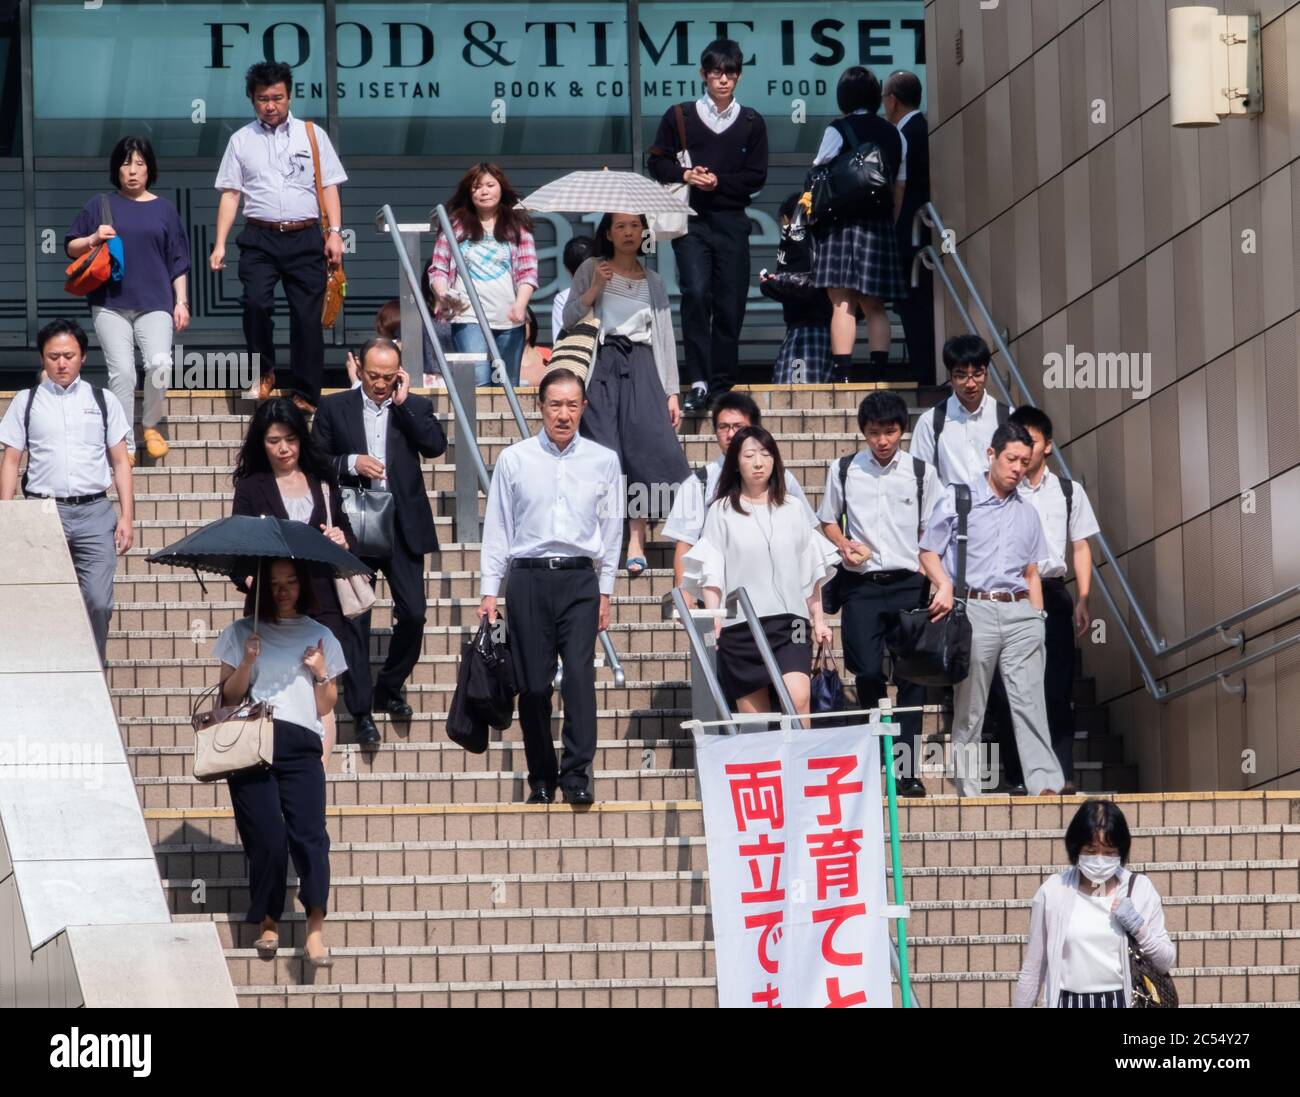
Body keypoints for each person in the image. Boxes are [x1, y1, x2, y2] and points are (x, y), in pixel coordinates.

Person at [478, 368, 623, 805]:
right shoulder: (514, 459)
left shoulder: (604, 460)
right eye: (554, 404)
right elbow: (498, 527)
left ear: (584, 408)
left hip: (581, 578)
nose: (563, 414)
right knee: (535, 685)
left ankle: (576, 773)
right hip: (527, 578)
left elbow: (612, 528)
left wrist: (606, 588)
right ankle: (541, 775)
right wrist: (489, 590)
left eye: (572, 405)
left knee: (579, 677)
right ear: (539, 407)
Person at [918, 422, 1064, 797]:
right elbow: (928, 551)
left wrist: (1038, 618)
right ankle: (967, 785)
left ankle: (1045, 782)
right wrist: (945, 584)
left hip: (1020, 612)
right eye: (1012, 459)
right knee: (970, 705)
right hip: (974, 608)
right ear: (992, 455)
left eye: (1025, 462)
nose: (1018, 468)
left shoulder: (1028, 513)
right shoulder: (959, 499)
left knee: (1031, 699)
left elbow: (1032, 572)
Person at [212, 557, 345, 968]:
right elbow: (228, 698)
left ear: (303, 586)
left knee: (310, 838)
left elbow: (326, 704)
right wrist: (248, 662)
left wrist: (321, 673)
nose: (283, 589)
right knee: (268, 839)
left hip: (301, 745)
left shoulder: (321, 635)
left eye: (290, 582)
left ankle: (315, 928)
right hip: (253, 746)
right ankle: (268, 919)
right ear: (260, 587)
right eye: (274, 583)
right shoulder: (240, 632)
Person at [312, 338, 446, 729]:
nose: (380, 384)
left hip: (403, 526)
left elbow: (435, 446)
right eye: (373, 375)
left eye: (389, 377)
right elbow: (315, 457)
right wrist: (351, 462)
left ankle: (389, 685)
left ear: (400, 374)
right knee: (356, 619)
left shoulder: (414, 406)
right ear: (359, 368)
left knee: (415, 614)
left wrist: (404, 405)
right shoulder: (335, 407)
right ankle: (361, 709)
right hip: (355, 525)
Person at [818, 391, 942, 796]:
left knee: (912, 677)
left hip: (910, 582)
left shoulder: (922, 473)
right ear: (863, 433)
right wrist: (844, 545)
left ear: (902, 430)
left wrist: (941, 581)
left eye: (890, 432)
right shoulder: (844, 469)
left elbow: (933, 533)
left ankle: (907, 772)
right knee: (867, 671)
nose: (883, 441)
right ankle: (879, 761)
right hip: (861, 585)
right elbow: (827, 521)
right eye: (874, 433)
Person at [231, 399, 375, 744]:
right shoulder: (252, 486)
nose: (284, 449)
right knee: (275, 686)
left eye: (291, 439)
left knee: (320, 687)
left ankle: (317, 773)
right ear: (260, 444)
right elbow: (238, 552)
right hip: (272, 605)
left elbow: (348, 536)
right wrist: (250, 579)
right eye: (273, 441)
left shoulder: (321, 480)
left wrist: (342, 539)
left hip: (323, 600)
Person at [210, 60, 346, 413]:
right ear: (251, 100)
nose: (270, 105)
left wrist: (334, 233)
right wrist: (220, 242)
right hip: (260, 237)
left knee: (306, 315)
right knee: (256, 302)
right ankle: (263, 372)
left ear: (289, 96)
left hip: (305, 236)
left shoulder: (312, 135)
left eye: (277, 97)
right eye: (262, 99)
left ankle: (306, 391)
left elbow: (329, 185)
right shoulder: (241, 140)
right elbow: (230, 194)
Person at [0, 320, 134, 666]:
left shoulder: (103, 401)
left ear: (83, 357)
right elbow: (11, 459)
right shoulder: (25, 402)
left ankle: (92, 670)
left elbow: (120, 462)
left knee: (99, 602)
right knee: (43, 600)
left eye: (69, 355)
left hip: (94, 513)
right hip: (43, 514)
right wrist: (8, 514)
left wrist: (128, 517)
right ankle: (50, 670)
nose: (61, 363)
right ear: (43, 359)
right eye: (53, 356)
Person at [565, 212, 690, 576]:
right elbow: (569, 319)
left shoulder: (654, 280)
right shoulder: (591, 267)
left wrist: (672, 392)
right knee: (603, 450)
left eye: (634, 226)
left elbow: (664, 336)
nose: (628, 232)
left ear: (643, 233)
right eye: (620, 226)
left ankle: (637, 539)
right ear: (608, 232)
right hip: (601, 364)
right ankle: (599, 538)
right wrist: (595, 289)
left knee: (645, 449)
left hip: (642, 366)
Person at [647, 38, 769, 412]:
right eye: (716, 72)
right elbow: (656, 162)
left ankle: (722, 383)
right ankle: (698, 381)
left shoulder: (751, 122)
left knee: (730, 304)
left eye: (730, 72)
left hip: (732, 221)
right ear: (703, 74)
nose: (723, 79)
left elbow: (756, 177)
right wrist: (687, 174)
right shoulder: (680, 115)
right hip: (692, 222)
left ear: (739, 75)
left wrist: (717, 181)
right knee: (697, 294)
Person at [987, 407, 1100, 797]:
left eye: (1031, 442)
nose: (1024, 451)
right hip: (1009, 594)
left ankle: (1060, 774)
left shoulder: (1067, 491)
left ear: (1047, 446)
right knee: (1008, 690)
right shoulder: (999, 490)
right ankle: (1018, 774)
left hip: (1053, 592)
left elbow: (1081, 545)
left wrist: (1084, 598)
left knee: (1055, 688)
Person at [683, 426, 835, 716]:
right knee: (754, 715)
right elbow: (712, 570)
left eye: (766, 455)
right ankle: (764, 761)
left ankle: (799, 760)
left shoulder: (793, 508)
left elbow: (811, 567)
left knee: (798, 698)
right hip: (741, 626)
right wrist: (714, 619)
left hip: (791, 623)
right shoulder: (721, 510)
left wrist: (819, 619)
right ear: (736, 463)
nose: (758, 462)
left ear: (775, 461)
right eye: (749, 455)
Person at [64, 135, 190, 465]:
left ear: (150, 169)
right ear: (116, 169)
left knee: (160, 364)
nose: (132, 171)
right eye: (125, 163)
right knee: (122, 373)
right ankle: (125, 444)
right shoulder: (100, 204)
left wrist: (182, 301)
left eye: (139, 163)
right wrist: (93, 238)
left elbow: (178, 260)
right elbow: (70, 247)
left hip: (156, 301)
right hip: (109, 303)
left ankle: (149, 424)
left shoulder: (164, 209)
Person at [1015, 800, 1175, 1008]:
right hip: (1069, 1001)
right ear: (1076, 849)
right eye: (1091, 851)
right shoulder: (1053, 892)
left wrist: (1138, 927)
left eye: (1109, 852)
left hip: (1123, 1001)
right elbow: (1033, 969)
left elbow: (1165, 961)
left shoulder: (1140, 890)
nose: (1099, 860)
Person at [809, 67, 907, 383]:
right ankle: (880, 372)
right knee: (875, 305)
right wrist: (889, 221)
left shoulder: (837, 129)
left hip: (840, 224)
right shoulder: (895, 134)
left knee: (842, 302)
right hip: (879, 226)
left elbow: (818, 173)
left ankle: (844, 376)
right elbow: (899, 185)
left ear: (843, 97)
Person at [663, 391, 809, 588]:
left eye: (738, 427)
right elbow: (685, 545)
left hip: (777, 592)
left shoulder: (783, 479)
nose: (731, 434)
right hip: (716, 594)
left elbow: (805, 539)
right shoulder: (698, 483)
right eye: (723, 427)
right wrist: (684, 596)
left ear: (755, 430)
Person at [428, 163, 537, 387]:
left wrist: (520, 304)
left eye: (490, 185)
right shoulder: (454, 224)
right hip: (467, 315)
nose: (484, 191)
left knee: (507, 384)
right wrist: (442, 293)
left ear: (501, 188)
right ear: (469, 192)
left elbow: (528, 271)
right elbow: (438, 266)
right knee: (477, 379)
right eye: (477, 187)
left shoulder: (517, 225)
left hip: (508, 318)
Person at [883, 70, 935, 382]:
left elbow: (899, 188)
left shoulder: (902, 135)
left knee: (915, 309)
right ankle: (926, 372)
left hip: (909, 238)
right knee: (918, 308)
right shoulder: (925, 129)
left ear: (892, 101)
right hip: (922, 237)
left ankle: (924, 374)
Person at [909, 334, 1012, 487]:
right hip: (949, 509)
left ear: (986, 373)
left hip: (999, 508)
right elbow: (919, 478)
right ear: (950, 377)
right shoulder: (930, 422)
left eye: (977, 374)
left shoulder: (1008, 418)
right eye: (961, 375)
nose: (970, 383)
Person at [759, 192, 834, 384]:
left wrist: (769, 285)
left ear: (787, 219)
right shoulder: (827, 239)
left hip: (804, 332)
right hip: (832, 331)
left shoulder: (797, 244)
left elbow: (802, 288)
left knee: (796, 391)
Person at [551, 235, 596, 339]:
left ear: (567, 269)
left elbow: (559, 341)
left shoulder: (563, 298)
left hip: (576, 352)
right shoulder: (615, 292)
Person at [520, 306, 552, 387]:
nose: (519, 326)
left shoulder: (548, 355)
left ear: (531, 324)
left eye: (523, 321)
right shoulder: (498, 359)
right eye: (513, 323)